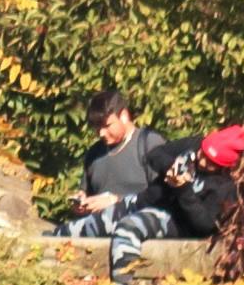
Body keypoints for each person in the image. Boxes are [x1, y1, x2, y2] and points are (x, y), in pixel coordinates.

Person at [61, 93, 181, 269]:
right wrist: (82, 203)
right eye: (97, 128)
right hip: (97, 234)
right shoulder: (94, 154)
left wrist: (116, 201)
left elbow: (163, 195)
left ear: (124, 116)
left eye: (107, 126)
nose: (101, 133)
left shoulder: (149, 143)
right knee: (56, 235)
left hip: (138, 229)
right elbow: (86, 192)